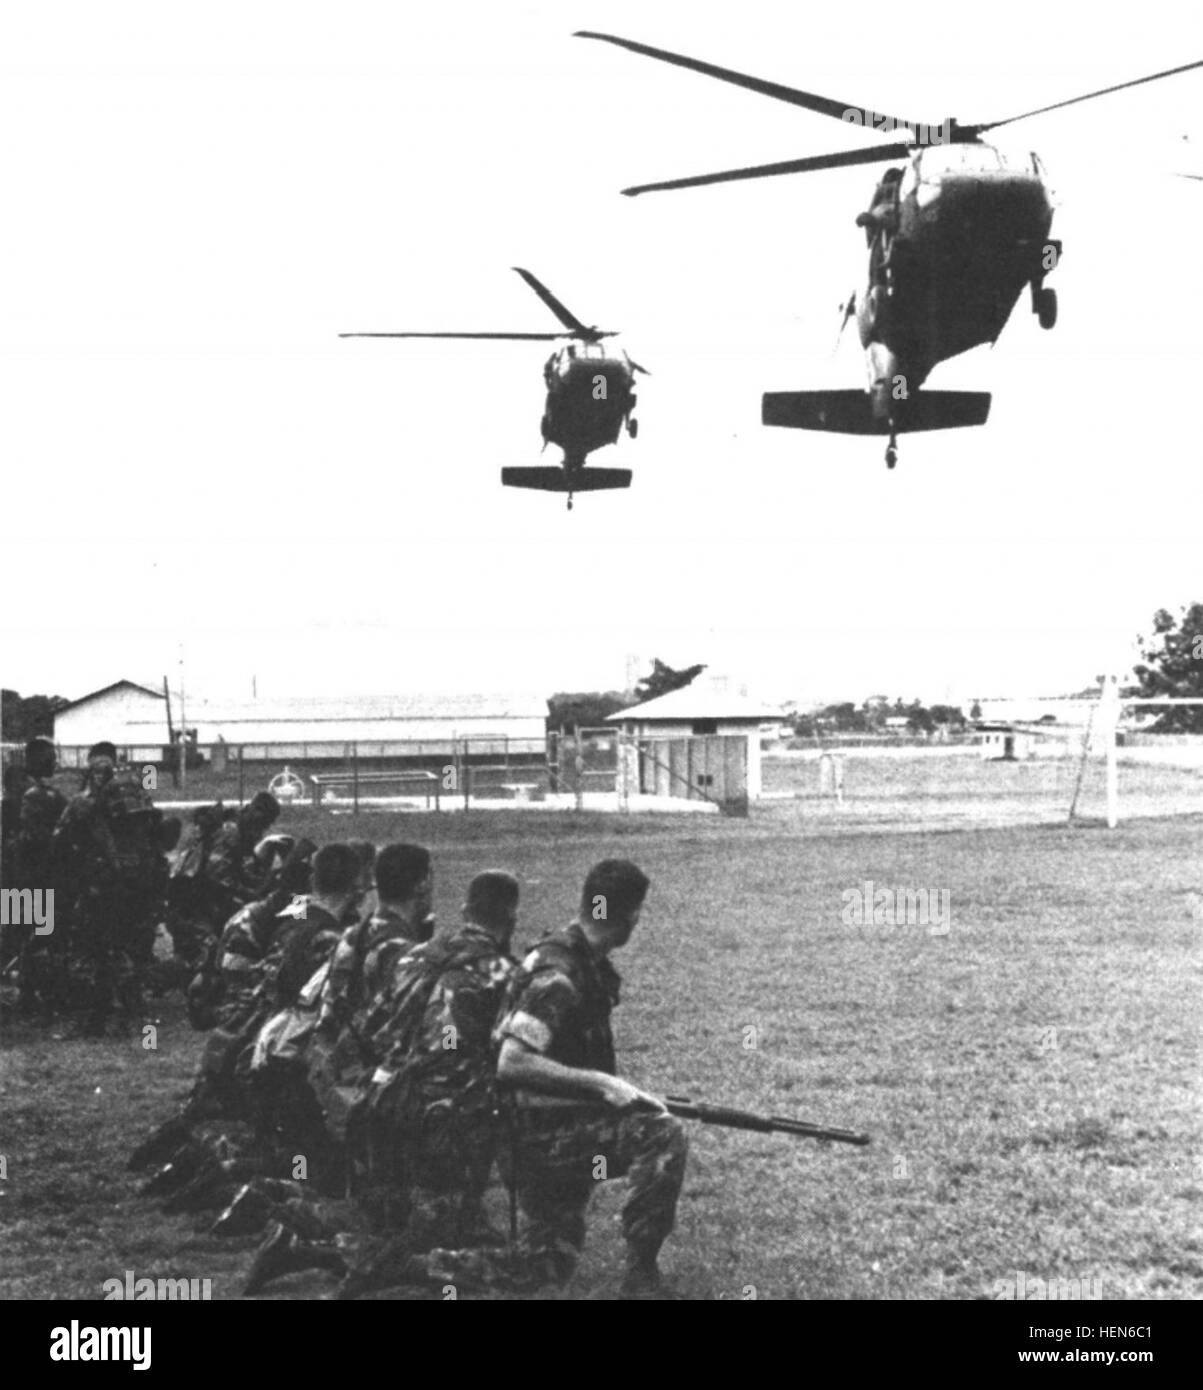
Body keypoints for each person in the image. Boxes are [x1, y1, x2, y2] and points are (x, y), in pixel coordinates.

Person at [395, 858, 687, 1299]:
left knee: (540, 1273)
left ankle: (396, 1266)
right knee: (661, 1134)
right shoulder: (559, 975)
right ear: (629, 915)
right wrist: (604, 1086)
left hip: (540, 1136)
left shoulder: (577, 960)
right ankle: (640, 1279)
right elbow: (513, 1063)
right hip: (540, 1140)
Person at [54, 742, 164, 1034]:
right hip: (134, 885)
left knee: (89, 950)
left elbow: (60, 842)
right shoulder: (136, 796)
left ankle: (93, 1017)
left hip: (97, 886)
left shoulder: (83, 802)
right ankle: (131, 1014)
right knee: (123, 947)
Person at [15, 738, 68, 1017]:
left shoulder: (25, 789)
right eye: (50, 757)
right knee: (38, 935)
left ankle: (28, 993)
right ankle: (33, 995)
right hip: (34, 877)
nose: (55, 762)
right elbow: (36, 838)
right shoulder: (34, 794)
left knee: (28, 935)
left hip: (25, 876)